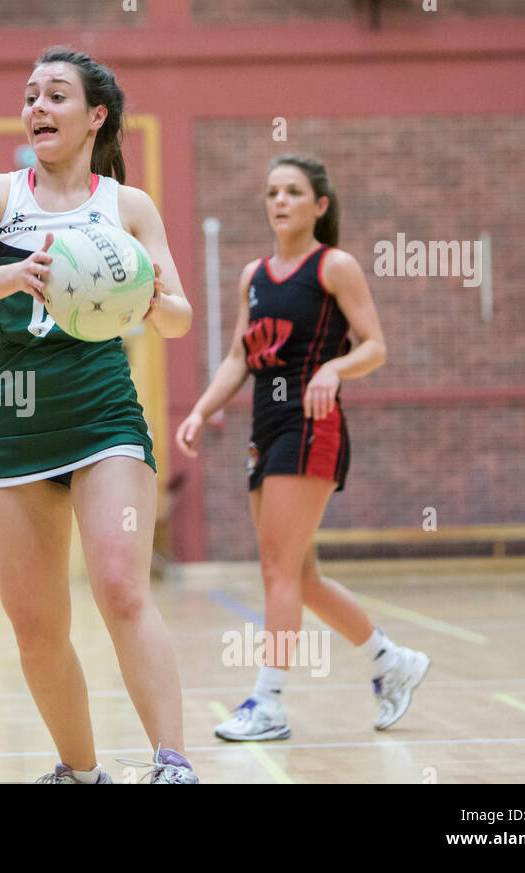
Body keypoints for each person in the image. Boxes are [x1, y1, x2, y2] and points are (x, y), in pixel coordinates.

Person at [0, 47, 197, 783]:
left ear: (96, 116)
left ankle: (174, 763)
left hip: (102, 416)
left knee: (120, 586)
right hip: (17, 426)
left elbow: (178, 318)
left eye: (56, 95)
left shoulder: (127, 206)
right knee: (35, 628)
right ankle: (79, 771)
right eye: (29, 96)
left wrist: (146, 297)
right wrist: (15, 272)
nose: (38, 108)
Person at [175, 154, 431, 741]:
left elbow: (376, 345)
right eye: (272, 192)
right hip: (265, 428)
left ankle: (268, 703)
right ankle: (392, 663)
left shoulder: (334, 267)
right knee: (301, 576)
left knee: (275, 568)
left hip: (312, 424)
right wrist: (200, 409)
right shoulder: (253, 275)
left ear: (319, 204)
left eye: (293, 191)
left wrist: (335, 368)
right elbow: (240, 357)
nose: (280, 201)